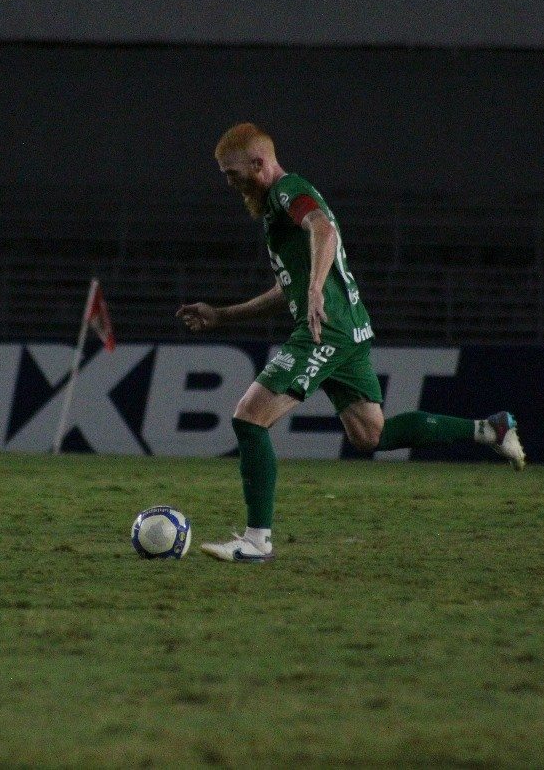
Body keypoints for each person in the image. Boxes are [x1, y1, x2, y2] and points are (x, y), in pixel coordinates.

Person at [177, 122, 525, 563]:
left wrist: (317, 291)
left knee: (249, 419)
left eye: (232, 173)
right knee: (370, 435)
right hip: (349, 326)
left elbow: (323, 229)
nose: (228, 182)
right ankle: (490, 429)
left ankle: (257, 540)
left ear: (259, 164)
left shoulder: (288, 190)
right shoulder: (273, 211)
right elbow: (290, 287)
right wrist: (225, 314)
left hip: (329, 327)